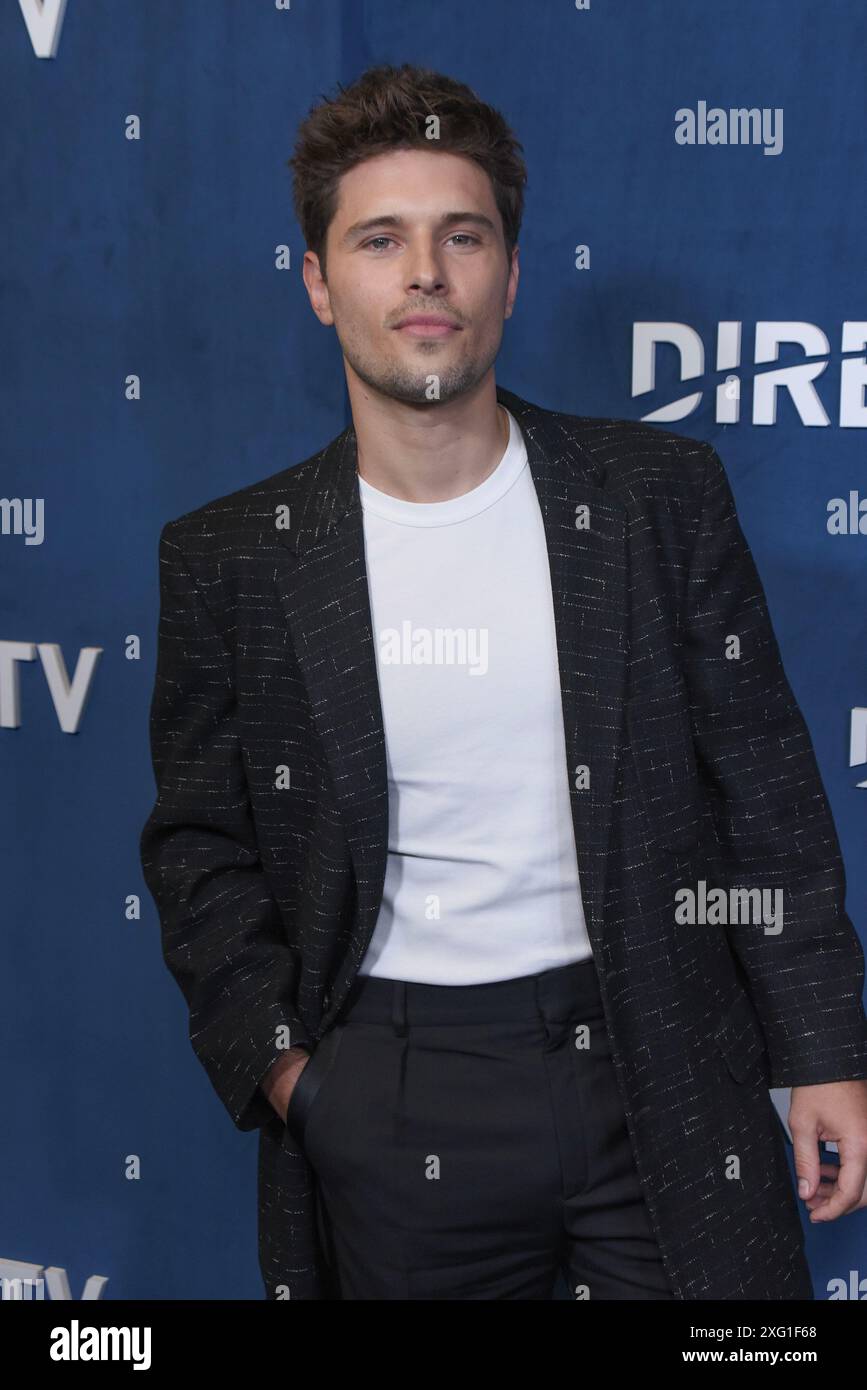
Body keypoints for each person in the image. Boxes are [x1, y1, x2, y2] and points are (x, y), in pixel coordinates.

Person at [140, 63, 867, 1301]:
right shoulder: (230, 559)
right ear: (320, 283)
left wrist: (824, 1047)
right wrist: (297, 1081)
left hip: (662, 1056)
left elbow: (765, 790)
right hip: (397, 1083)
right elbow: (203, 852)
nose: (424, 271)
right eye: (381, 239)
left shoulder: (656, 497)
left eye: (459, 235)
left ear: (510, 274)